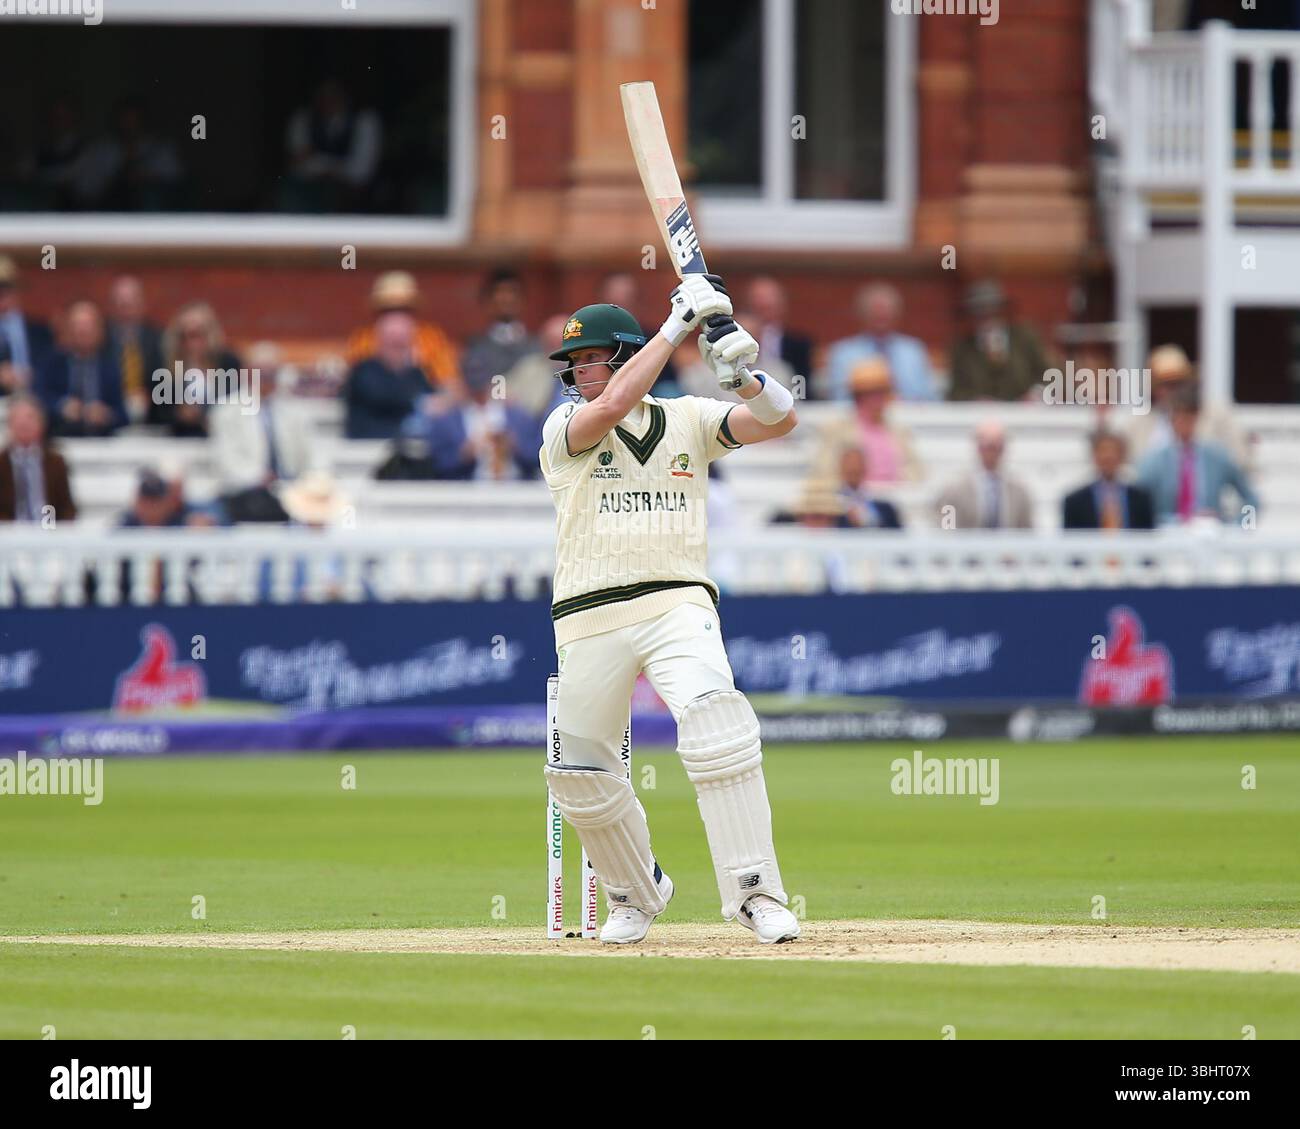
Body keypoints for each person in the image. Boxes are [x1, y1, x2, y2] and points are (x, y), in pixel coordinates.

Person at [541, 276, 801, 946]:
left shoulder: (689, 418)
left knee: (717, 721)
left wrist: (743, 375)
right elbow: (605, 413)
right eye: (572, 364)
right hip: (588, 614)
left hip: (676, 599)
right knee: (579, 771)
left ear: (622, 356)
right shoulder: (563, 427)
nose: (577, 373)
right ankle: (635, 892)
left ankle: (757, 893)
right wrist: (677, 324)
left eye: (589, 359)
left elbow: (781, 418)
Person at [210, 343, 314, 521]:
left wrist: (307, 483)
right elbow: (227, 461)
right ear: (248, 373)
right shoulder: (227, 411)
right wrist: (259, 477)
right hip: (245, 492)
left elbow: (308, 456)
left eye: (272, 374)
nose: (266, 380)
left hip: (291, 492)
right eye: (261, 374)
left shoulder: (296, 410)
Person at [1134, 390, 1260, 525]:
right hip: (1168, 534)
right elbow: (1138, 504)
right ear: (1171, 421)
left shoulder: (1216, 456)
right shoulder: (1153, 460)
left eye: (1189, 418)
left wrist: (1236, 526)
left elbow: (1251, 499)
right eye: (1179, 418)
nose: (1184, 424)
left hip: (1209, 534)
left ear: (1197, 419)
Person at [417, 352, 541, 480]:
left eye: (481, 386)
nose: (478, 392)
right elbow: (436, 465)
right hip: (469, 491)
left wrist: (515, 446)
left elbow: (538, 457)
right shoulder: (448, 420)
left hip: (516, 487)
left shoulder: (517, 416)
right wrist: (463, 454)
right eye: (474, 386)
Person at [344, 271, 461, 397]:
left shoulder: (431, 338)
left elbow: (450, 384)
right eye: (388, 310)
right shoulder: (362, 340)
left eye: (404, 309)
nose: (396, 318)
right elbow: (352, 387)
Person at [1127, 344, 1247, 465]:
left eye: (1178, 383)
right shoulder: (1140, 423)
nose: (1173, 390)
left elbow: (1240, 458)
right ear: (1154, 388)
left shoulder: (1217, 415)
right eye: (1165, 385)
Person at [825, 282, 937, 402]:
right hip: (859, 420)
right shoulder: (843, 353)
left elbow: (929, 397)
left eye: (886, 310)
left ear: (896, 313)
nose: (881, 315)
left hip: (910, 417)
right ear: (862, 314)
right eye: (876, 310)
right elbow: (839, 399)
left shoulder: (914, 350)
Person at [814, 356, 920, 483]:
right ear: (857, 396)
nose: (878, 399)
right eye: (870, 394)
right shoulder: (836, 430)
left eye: (882, 393)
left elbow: (916, 472)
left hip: (896, 495)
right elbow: (824, 472)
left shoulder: (900, 431)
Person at [948, 280, 1051, 402]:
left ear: (1003, 312)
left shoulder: (1024, 338)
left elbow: (1049, 374)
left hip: (1026, 414)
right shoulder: (962, 348)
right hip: (982, 417)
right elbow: (955, 392)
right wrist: (975, 401)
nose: (987, 317)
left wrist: (1036, 394)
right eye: (979, 313)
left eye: (992, 311)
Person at [37, 300, 126, 437]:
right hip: (60, 439)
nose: (83, 331)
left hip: (102, 443)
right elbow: (38, 398)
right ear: (68, 330)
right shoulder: (52, 363)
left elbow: (123, 414)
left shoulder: (111, 367)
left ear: (99, 331)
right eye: (77, 326)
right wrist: (61, 406)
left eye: (88, 326)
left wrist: (106, 415)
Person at [152, 302, 242, 438]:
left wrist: (206, 414)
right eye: (183, 336)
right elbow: (157, 415)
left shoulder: (228, 364)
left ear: (210, 334)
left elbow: (238, 404)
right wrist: (179, 414)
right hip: (182, 441)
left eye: (196, 335)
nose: (191, 343)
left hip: (224, 438)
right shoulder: (166, 370)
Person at [343, 310, 433, 439]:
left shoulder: (415, 373)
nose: (398, 346)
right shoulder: (364, 371)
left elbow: (431, 395)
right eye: (392, 340)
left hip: (408, 447)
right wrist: (424, 403)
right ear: (380, 340)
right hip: (367, 447)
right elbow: (388, 397)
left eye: (403, 341)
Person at [933, 419, 1034, 529]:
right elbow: (945, 529)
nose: (992, 453)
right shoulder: (954, 489)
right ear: (978, 447)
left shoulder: (1019, 491)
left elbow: (1027, 532)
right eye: (988, 446)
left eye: (997, 447)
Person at [0, 393, 76, 523]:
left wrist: (51, 530)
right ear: (9, 425)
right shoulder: (2, 463)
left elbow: (66, 507)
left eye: (29, 417)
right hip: (8, 537)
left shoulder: (55, 462)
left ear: (41, 423)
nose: (23, 423)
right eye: (17, 418)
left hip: (49, 533)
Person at [1062, 431, 1155, 530]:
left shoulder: (1141, 499)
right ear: (1094, 455)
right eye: (1103, 450)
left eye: (1114, 451)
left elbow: (1148, 537)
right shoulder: (1074, 501)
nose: (1108, 456)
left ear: (1123, 456)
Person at [105, 275, 164, 423]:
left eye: (130, 304)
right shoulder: (101, 339)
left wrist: (151, 394)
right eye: (121, 304)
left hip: (152, 418)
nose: (126, 310)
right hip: (112, 418)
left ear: (142, 304)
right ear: (112, 306)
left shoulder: (158, 339)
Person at [743, 276, 813, 389]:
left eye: (769, 299)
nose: (764, 303)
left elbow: (802, 382)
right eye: (758, 299)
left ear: (782, 304)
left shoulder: (800, 343)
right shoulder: (737, 337)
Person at [0, 255, 54, 395]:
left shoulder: (40, 331)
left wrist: (32, 376)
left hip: (30, 401)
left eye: (7, 289)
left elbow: (50, 368)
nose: (2, 296)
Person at [835, 446, 903, 529]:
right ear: (841, 468)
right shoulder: (831, 505)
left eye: (858, 466)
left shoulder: (884, 507)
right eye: (851, 469)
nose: (854, 468)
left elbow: (897, 535)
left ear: (865, 468)